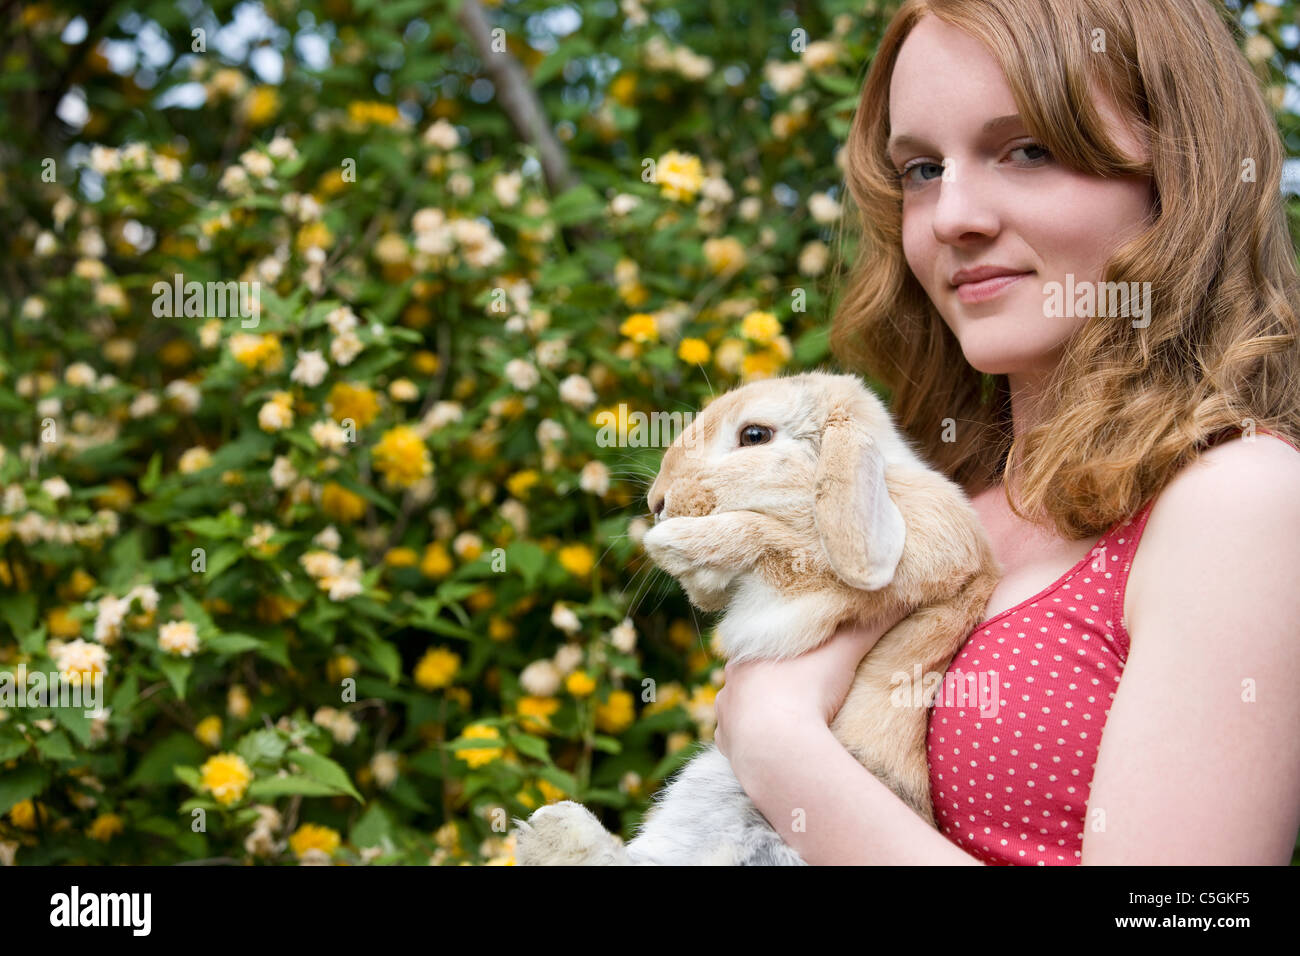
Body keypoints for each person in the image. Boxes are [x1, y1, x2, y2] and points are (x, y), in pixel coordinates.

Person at [714, 0, 1300, 865]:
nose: (953, 216)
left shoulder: (1239, 499)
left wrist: (778, 750)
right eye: (920, 169)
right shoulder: (932, 505)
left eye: (1027, 150)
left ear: (1178, 177)